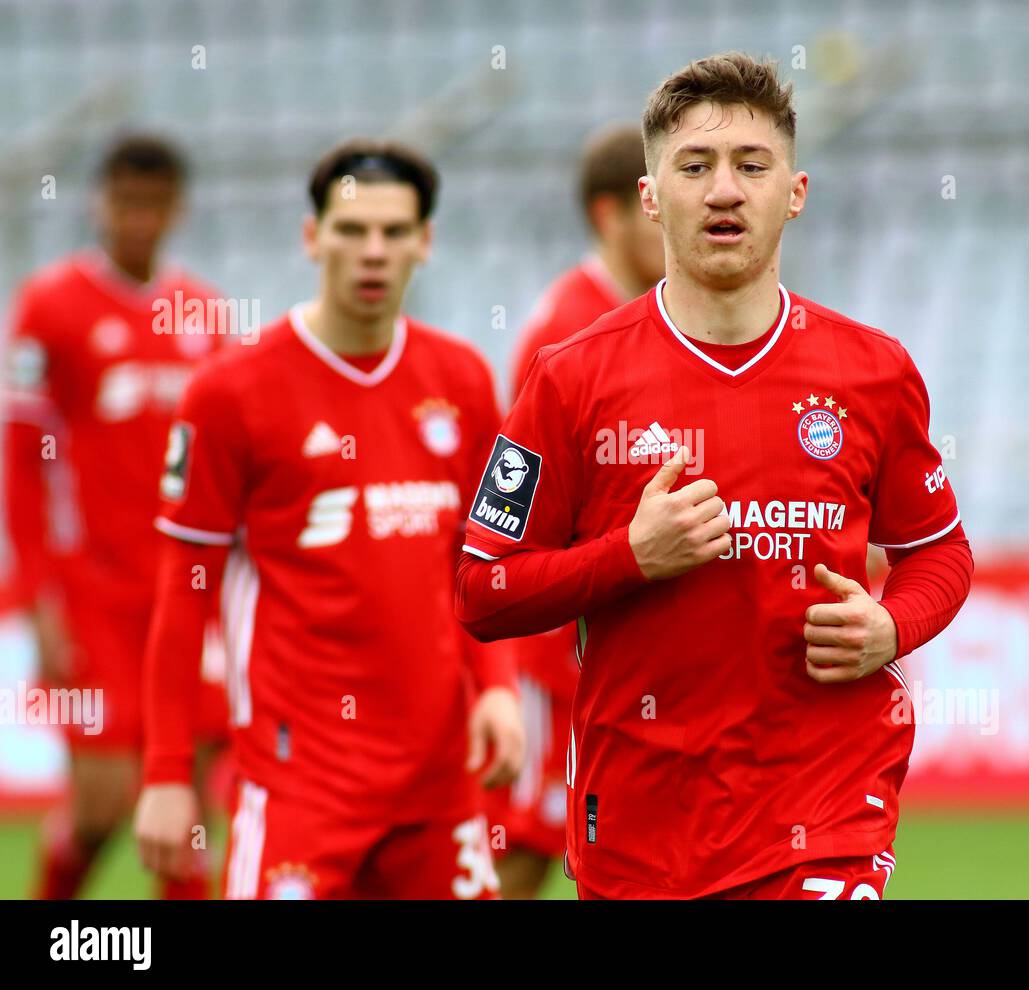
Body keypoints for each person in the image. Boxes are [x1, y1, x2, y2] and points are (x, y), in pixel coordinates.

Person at [456, 53, 974, 900]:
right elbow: (483, 589)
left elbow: (941, 553)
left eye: (751, 165)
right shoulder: (567, 376)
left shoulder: (873, 372)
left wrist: (892, 627)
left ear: (795, 192)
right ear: (651, 197)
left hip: (827, 804)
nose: (724, 190)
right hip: (640, 816)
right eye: (695, 166)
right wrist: (629, 555)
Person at [133, 140, 524, 899]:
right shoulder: (230, 393)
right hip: (299, 785)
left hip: (437, 785)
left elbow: (483, 562)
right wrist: (167, 773)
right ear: (313, 238)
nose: (372, 251)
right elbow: (183, 593)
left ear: (425, 241)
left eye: (393, 231)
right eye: (350, 229)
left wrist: (500, 688)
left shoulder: (464, 380)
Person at [3, 134, 229, 899]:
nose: (138, 220)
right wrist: (38, 596)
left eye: (153, 205)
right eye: (125, 203)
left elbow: (224, 464)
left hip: (186, 589)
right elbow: (22, 463)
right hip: (93, 592)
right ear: (101, 203)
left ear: (175, 210)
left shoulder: (205, 314)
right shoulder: (48, 307)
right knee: (101, 803)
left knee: (189, 808)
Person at [488, 123, 664, 899]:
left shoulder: (654, 316)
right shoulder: (568, 331)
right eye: (653, 205)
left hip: (618, 644)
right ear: (610, 216)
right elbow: (518, 511)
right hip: (554, 649)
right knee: (519, 847)